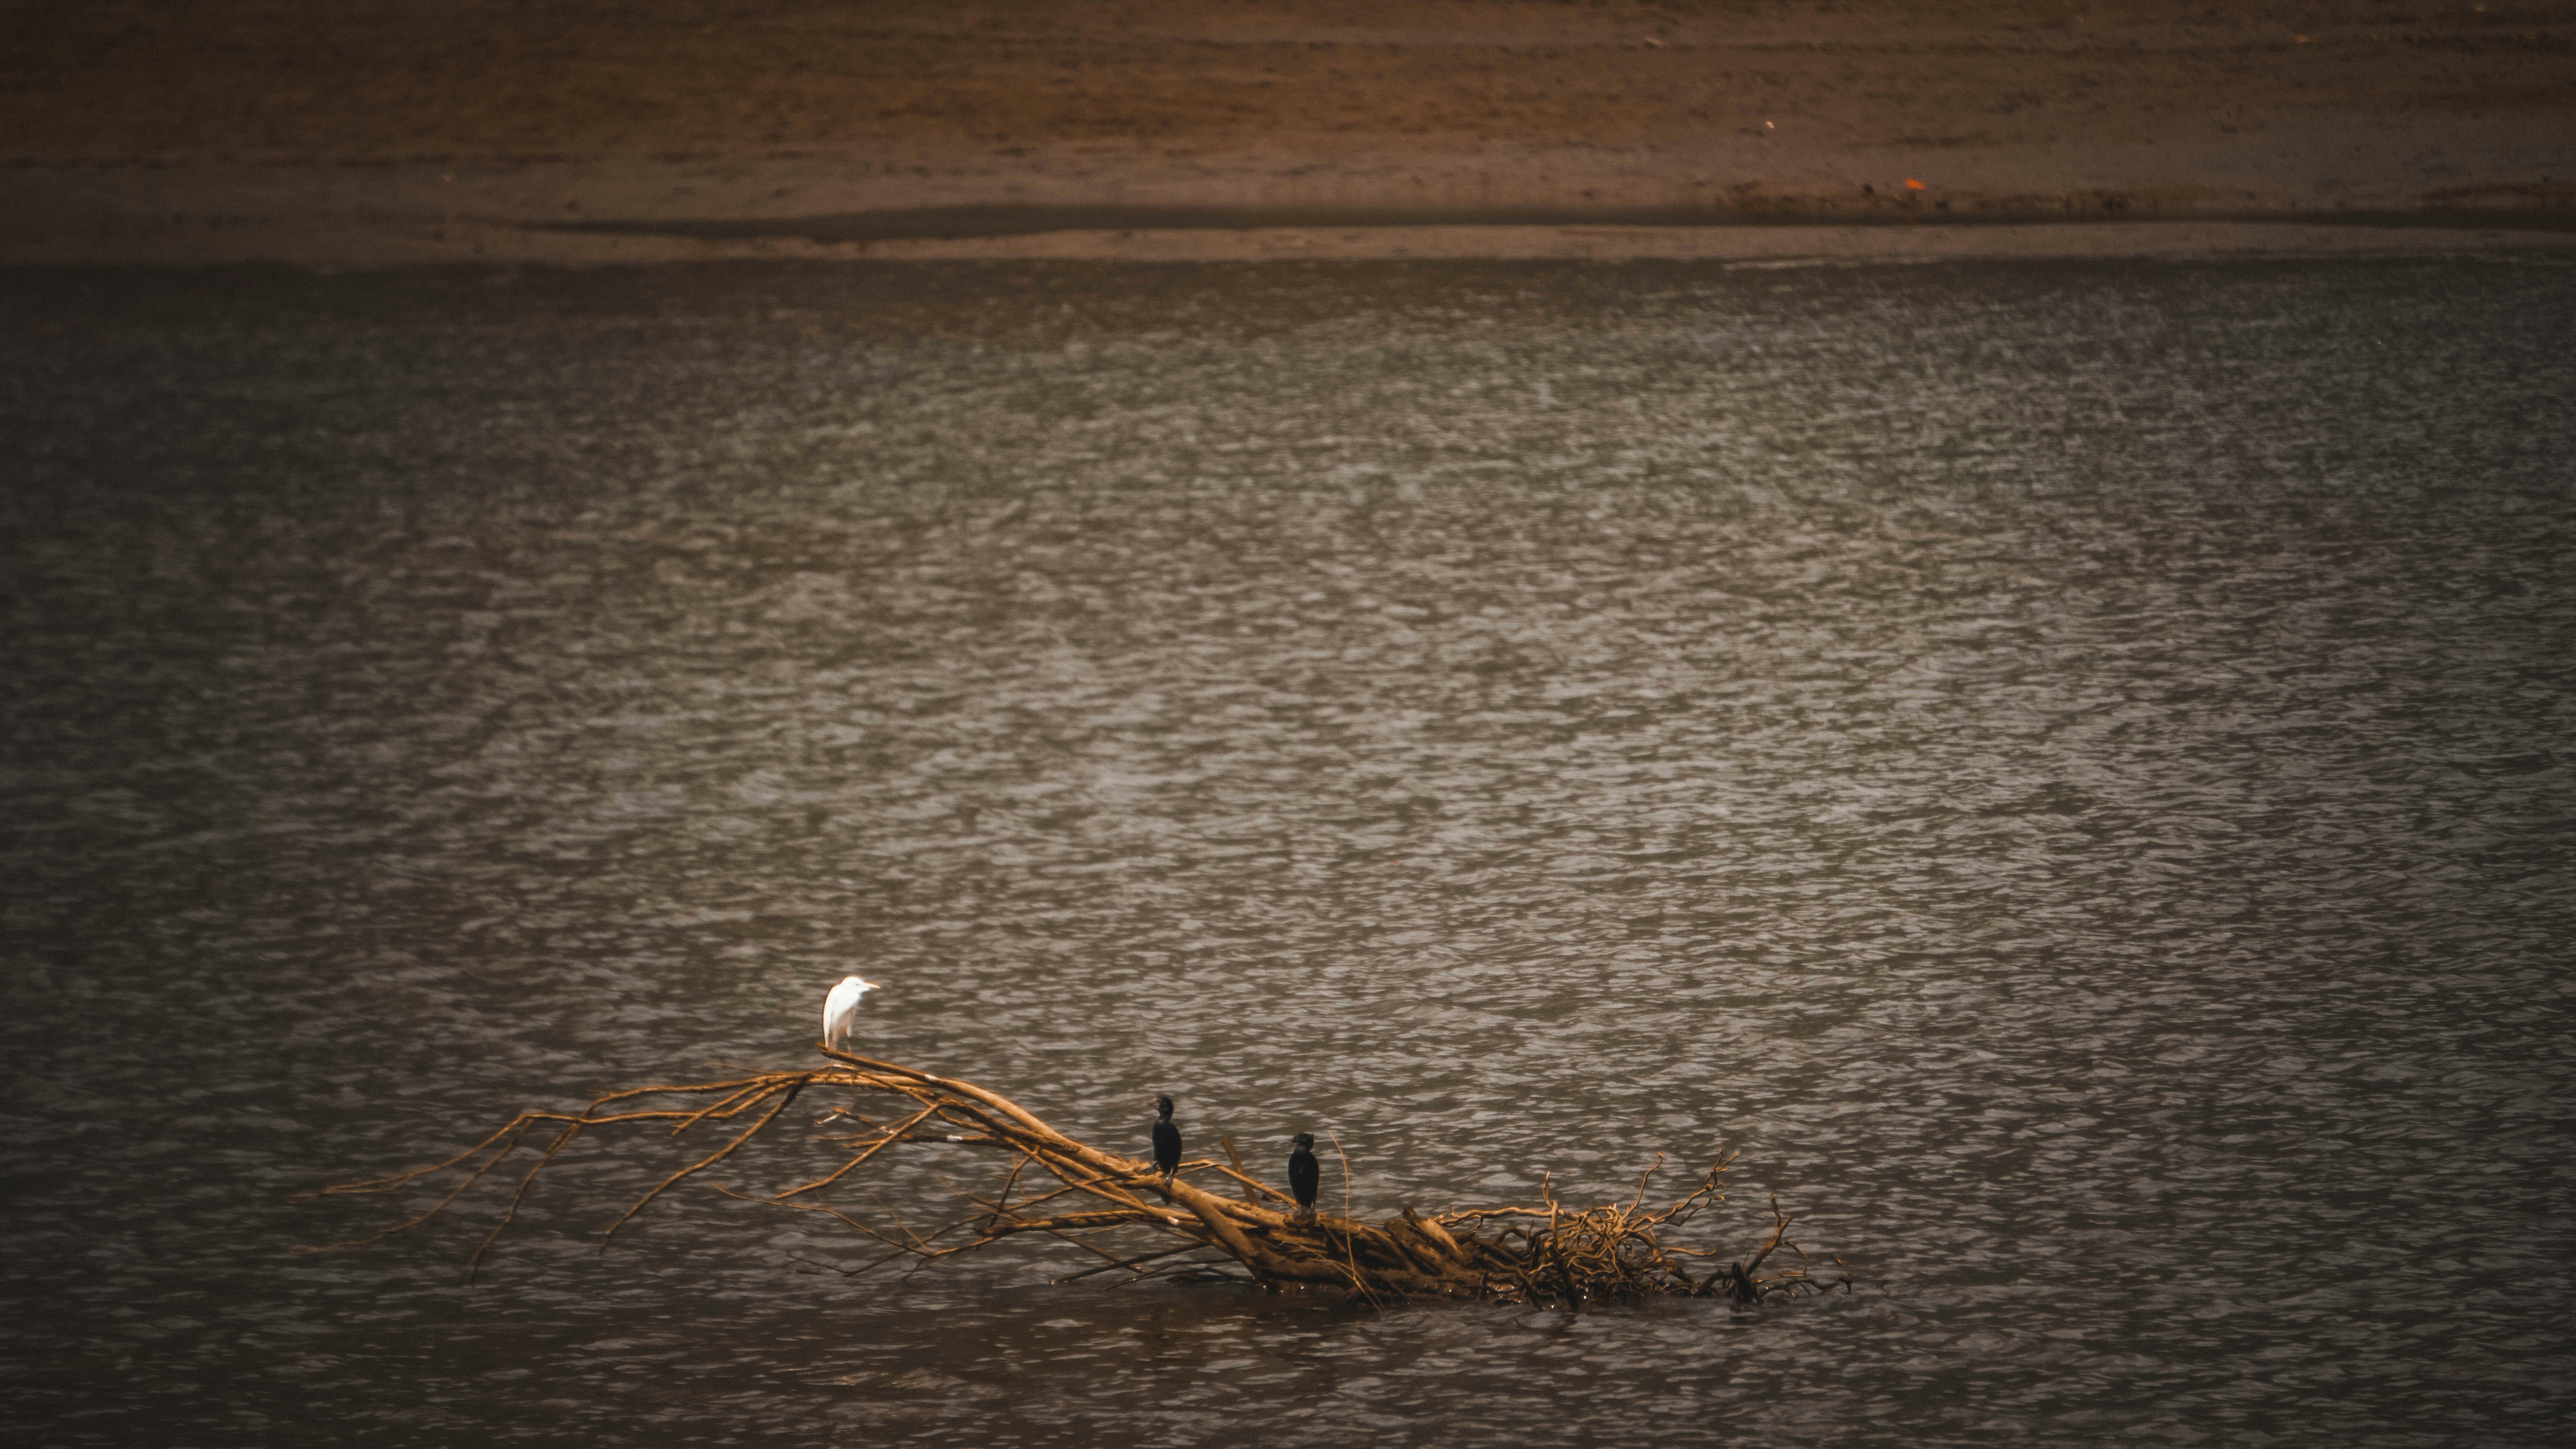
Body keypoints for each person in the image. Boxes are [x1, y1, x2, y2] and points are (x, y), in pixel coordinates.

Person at [1286, 1132, 1319, 1223]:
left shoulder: (1311, 1160)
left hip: (1310, 1193)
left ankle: (1309, 1208)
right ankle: (1302, 1207)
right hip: (1299, 1190)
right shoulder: (1294, 1159)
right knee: (1297, 1185)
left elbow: (1314, 1183)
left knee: (1308, 1187)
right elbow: (1293, 1181)